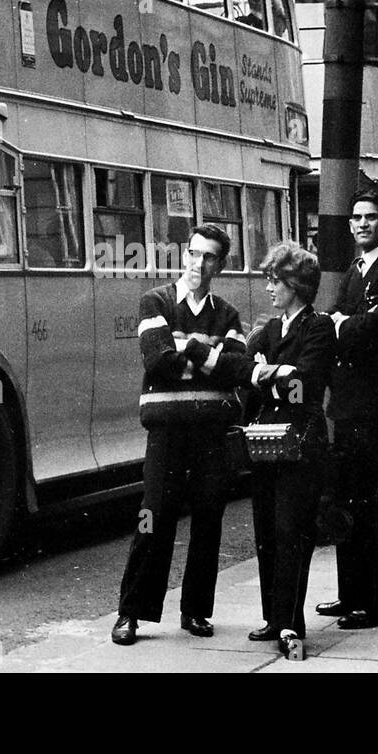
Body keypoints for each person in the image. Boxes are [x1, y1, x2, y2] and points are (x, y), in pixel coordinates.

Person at [112, 224, 250, 646]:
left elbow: (237, 367)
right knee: (153, 516)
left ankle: (195, 612)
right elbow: (157, 360)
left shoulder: (227, 313)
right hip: (168, 431)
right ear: (183, 255)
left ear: (220, 265)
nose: (198, 263)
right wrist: (205, 353)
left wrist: (186, 349)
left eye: (209, 257)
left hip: (211, 432)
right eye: (193, 253)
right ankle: (130, 613)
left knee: (209, 520)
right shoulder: (154, 301)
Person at [314, 187, 378, 630]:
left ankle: (376, 604)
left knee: (377, 506)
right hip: (348, 407)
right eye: (355, 218)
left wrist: (344, 324)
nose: (360, 224)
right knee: (347, 502)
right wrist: (344, 323)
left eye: (370, 218)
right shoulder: (355, 270)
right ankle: (349, 593)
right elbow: (336, 320)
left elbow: (376, 326)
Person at [243, 243, 336, 658]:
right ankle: (273, 617)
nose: (268, 289)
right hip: (266, 442)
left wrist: (268, 372)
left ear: (296, 285)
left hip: (302, 443)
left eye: (274, 281)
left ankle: (289, 623)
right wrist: (271, 372)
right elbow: (246, 372)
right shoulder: (268, 329)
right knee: (266, 530)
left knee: (289, 531)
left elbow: (307, 383)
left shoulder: (317, 327)